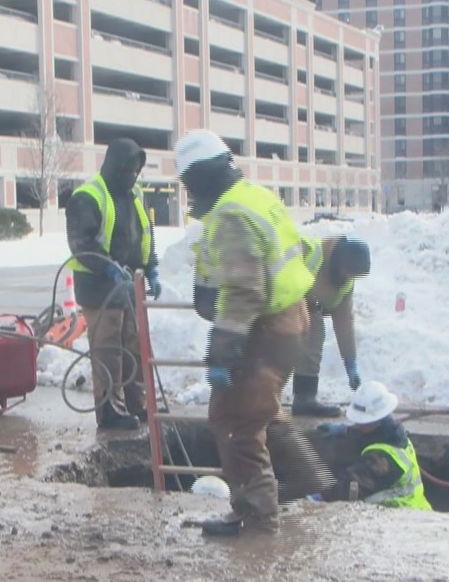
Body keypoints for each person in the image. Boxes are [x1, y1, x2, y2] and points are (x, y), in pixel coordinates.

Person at [175, 129, 318, 537]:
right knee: (258, 416)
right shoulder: (255, 196)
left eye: (188, 183)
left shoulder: (232, 214)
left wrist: (222, 351)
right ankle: (293, 485)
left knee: (235, 422)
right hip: (289, 319)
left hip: (264, 328)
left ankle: (258, 517)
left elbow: (242, 290)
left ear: (198, 177)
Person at [65, 138, 158, 431]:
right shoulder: (89, 196)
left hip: (129, 286)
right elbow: (82, 243)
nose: (132, 176)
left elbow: (145, 234)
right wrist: (109, 267)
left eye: (136, 170)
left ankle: (135, 404)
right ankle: (110, 412)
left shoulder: (134, 195)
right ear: (114, 166)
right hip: (99, 288)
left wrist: (151, 268)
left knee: (133, 346)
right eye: (127, 169)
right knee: (108, 350)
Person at [288, 236, 372, 418]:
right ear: (338, 262)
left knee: (315, 328)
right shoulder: (310, 254)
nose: (348, 278)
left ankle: (304, 398)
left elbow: (344, 321)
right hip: (278, 302)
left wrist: (350, 362)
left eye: (353, 276)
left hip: (306, 310)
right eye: (347, 272)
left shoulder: (344, 283)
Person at [318, 381, 431, 510]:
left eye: (362, 421)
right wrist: (346, 430)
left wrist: (317, 499)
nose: (357, 424)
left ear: (376, 419)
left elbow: (348, 488)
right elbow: (366, 433)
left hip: (405, 516)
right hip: (414, 509)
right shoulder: (392, 432)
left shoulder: (384, 459)